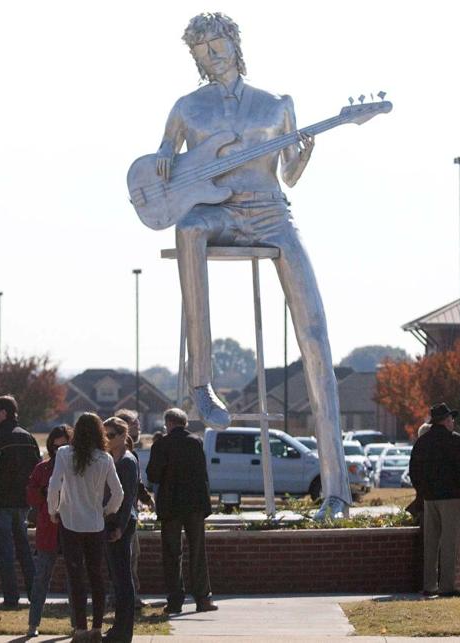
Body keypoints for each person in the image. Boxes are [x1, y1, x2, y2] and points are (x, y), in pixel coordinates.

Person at [157, 12, 351, 517]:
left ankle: (334, 490)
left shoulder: (275, 104)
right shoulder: (186, 109)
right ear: (194, 58)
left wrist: (302, 158)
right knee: (189, 228)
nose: (211, 53)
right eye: (201, 49)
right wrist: (162, 161)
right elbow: (163, 168)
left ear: (234, 43)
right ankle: (201, 380)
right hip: (218, 213)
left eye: (217, 43)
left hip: (271, 218)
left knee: (314, 333)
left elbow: (288, 173)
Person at [48, 412, 124, 642]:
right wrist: (107, 511)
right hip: (95, 523)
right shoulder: (105, 458)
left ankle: (80, 628)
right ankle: (97, 627)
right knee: (96, 576)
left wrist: (53, 511)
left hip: (70, 522)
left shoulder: (63, 454)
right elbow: (118, 493)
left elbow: (54, 486)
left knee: (76, 577)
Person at [146, 408, 217, 614]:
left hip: (170, 506)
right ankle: (203, 599)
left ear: (168, 423)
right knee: (197, 552)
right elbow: (203, 475)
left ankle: (175, 600)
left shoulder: (161, 445)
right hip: (194, 505)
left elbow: (153, 475)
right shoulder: (196, 442)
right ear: (184, 423)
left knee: (171, 553)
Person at [0, 394, 41, 608]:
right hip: (23, 502)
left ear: (3, 413)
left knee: (5, 551)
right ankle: (35, 594)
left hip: (1, 502)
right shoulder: (28, 438)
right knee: (24, 549)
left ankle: (11, 598)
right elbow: (37, 470)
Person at [408, 403, 460, 597]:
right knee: (449, 543)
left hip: (429, 499)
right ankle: (447, 586)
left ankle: (429, 585)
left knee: (430, 543)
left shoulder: (422, 442)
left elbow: (414, 471)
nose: (452, 421)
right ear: (445, 420)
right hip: (452, 499)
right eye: (451, 418)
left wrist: (422, 491)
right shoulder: (456, 442)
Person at [25, 424, 73, 639]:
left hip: (72, 528)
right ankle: (33, 623)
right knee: (41, 578)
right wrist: (45, 492)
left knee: (75, 580)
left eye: (64, 447)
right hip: (48, 529)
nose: (59, 452)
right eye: (55, 448)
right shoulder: (42, 469)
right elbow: (30, 495)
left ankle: (77, 623)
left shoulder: (77, 469)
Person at [104, 416, 140, 643]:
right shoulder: (111, 458)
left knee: (123, 577)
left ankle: (124, 630)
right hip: (111, 521)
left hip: (121, 524)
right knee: (116, 578)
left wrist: (120, 527)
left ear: (122, 436)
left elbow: (128, 499)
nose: (106, 439)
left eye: (111, 435)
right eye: (104, 435)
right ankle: (118, 626)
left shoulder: (126, 461)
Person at [113, 407, 153, 609]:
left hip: (125, 513)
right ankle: (130, 598)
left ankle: (126, 596)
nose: (139, 425)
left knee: (128, 556)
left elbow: (135, 484)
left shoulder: (127, 453)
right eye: (134, 423)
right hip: (123, 515)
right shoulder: (123, 454)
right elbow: (130, 487)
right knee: (129, 556)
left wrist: (145, 498)